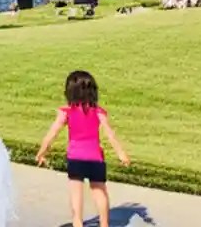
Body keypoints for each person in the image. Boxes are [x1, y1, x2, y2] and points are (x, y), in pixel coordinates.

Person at [35, 70, 130, 227]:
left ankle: (77, 222)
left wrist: (42, 152)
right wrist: (121, 154)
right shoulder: (98, 111)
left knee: (76, 191)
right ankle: (104, 224)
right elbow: (110, 134)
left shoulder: (66, 112)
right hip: (95, 158)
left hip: (75, 157)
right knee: (99, 191)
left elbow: (52, 133)